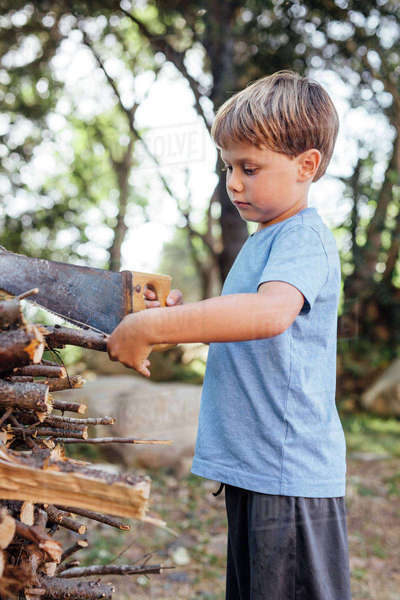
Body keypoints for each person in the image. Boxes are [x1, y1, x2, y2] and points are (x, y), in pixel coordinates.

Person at [107, 70, 352, 600]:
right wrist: (180, 318)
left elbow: (268, 315)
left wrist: (154, 325)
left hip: (287, 476)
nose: (233, 182)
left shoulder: (304, 237)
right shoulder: (265, 242)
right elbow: (239, 319)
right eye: (228, 168)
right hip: (254, 468)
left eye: (249, 167)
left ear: (306, 165)